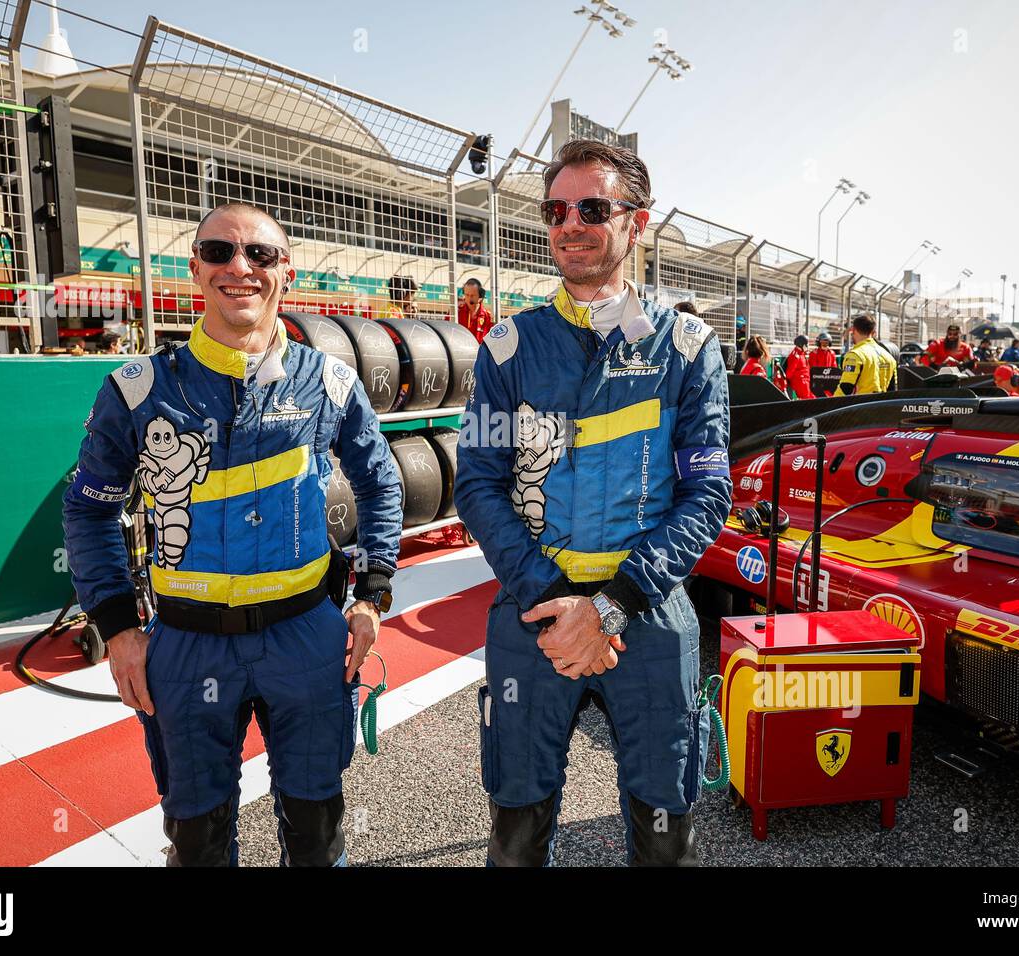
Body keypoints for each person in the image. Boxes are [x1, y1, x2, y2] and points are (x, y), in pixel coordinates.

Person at [62, 203, 403, 867]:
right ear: (194, 269)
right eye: (219, 253)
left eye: (260, 255)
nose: (239, 268)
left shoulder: (329, 380)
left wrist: (372, 593)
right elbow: (90, 509)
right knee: (196, 838)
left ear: (286, 273)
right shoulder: (138, 389)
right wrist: (118, 627)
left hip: (306, 639)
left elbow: (381, 484)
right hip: (186, 648)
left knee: (315, 828)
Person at [454, 139, 732, 866]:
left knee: (666, 841)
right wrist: (552, 601)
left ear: (637, 223)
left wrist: (608, 607)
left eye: (592, 208)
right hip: (531, 612)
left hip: (647, 611)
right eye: (556, 209)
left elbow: (709, 494)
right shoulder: (509, 347)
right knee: (514, 841)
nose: (570, 224)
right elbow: (477, 483)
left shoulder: (689, 346)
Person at [836, 313, 896, 395]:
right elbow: (893, 390)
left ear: (853, 330)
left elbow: (845, 388)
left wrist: (831, 405)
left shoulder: (855, 355)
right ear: (873, 332)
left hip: (861, 405)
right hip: (883, 406)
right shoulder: (889, 356)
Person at [457, 277, 493, 342]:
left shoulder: (488, 316)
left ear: (480, 295)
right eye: (467, 295)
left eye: (473, 295)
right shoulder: (456, 312)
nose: (469, 298)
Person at [785, 334, 814, 399]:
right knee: (808, 401)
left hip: (804, 382)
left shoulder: (801, 353)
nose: (807, 346)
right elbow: (789, 374)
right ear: (802, 344)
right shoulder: (796, 356)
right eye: (806, 344)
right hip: (801, 383)